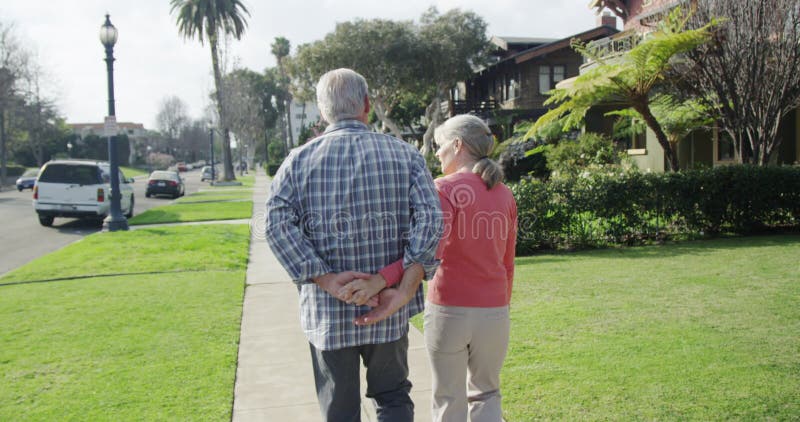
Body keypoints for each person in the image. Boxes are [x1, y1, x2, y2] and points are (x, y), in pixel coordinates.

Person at [265, 68, 443, 422]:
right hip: (389, 310)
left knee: (339, 412)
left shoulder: (296, 163)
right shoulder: (405, 156)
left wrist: (325, 279)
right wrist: (402, 288)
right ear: (366, 105)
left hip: (327, 313)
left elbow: (275, 225)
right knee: (393, 399)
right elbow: (432, 220)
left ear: (322, 111)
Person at [340, 114, 517, 422]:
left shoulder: (444, 189)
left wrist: (383, 280)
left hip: (451, 310)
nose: (436, 152)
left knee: (449, 398)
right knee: (487, 395)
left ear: (458, 145)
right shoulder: (504, 193)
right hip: (495, 313)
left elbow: (424, 251)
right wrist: (500, 305)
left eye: (439, 144)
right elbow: (507, 263)